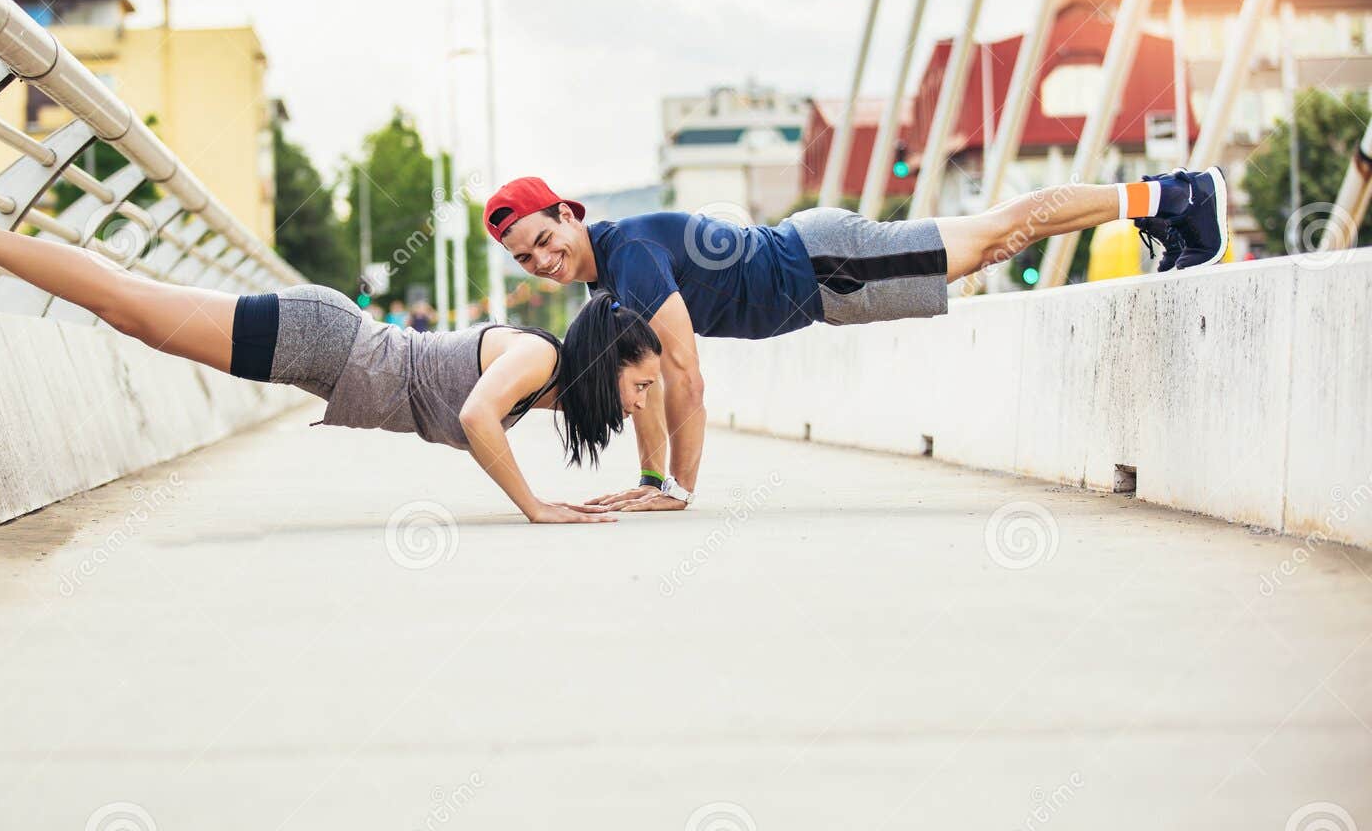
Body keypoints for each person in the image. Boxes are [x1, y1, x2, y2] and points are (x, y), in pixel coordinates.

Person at [485, 168, 1229, 512]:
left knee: (996, 235)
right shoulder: (607, 280)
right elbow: (642, 382)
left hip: (825, 265)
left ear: (570, 214)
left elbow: (685, 373)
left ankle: (1177, 195)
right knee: (992, 240)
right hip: (822, 282)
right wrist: (652, 483)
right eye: (526, 259)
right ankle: (1168, 200)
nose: (543, 260)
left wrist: (680, 487)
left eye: (546, 239)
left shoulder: (630, 257)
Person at [0, 194, 662, 524]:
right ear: (607, 360)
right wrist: (538, 507)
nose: (644, 400)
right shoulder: (535, 356)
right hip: (322, 339)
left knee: (130, 308)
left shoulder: (557, 379)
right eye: (642, 384)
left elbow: (633, 390)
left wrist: (656, 481)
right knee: (125, 301)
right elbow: (474, 415)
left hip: (324, 348)